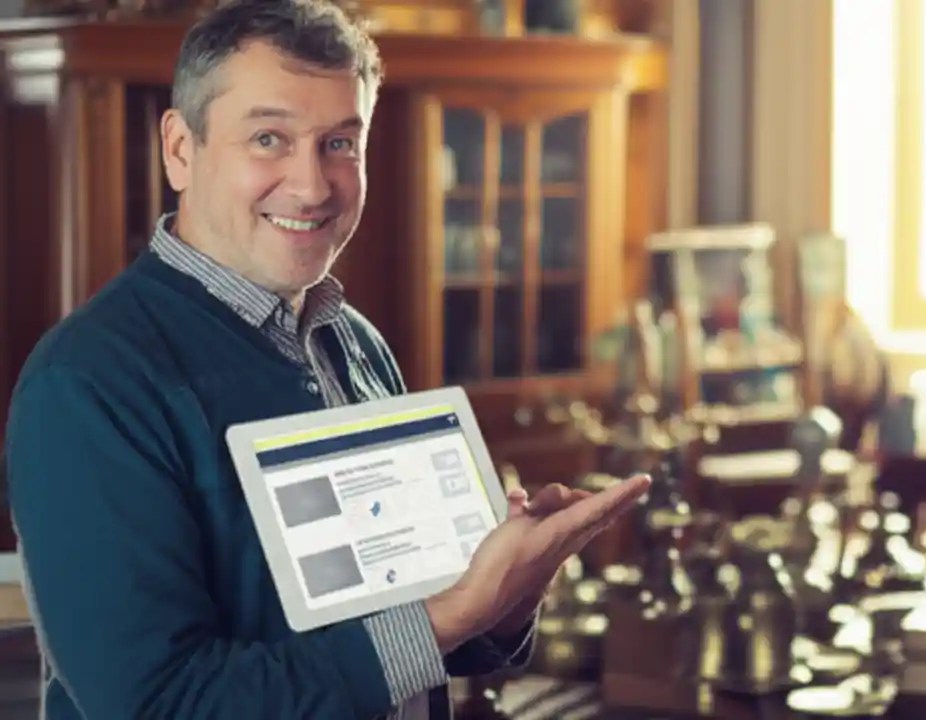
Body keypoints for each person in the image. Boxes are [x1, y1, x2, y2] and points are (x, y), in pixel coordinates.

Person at [2, 1, 650, 718]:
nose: (312, 187)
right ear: (181, 150)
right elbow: (160, 702)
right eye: (269, 138)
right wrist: (449, 616)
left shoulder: (356, 342)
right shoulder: (90, 382)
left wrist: (506, 591)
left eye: (341, 143)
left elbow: (406, 627)